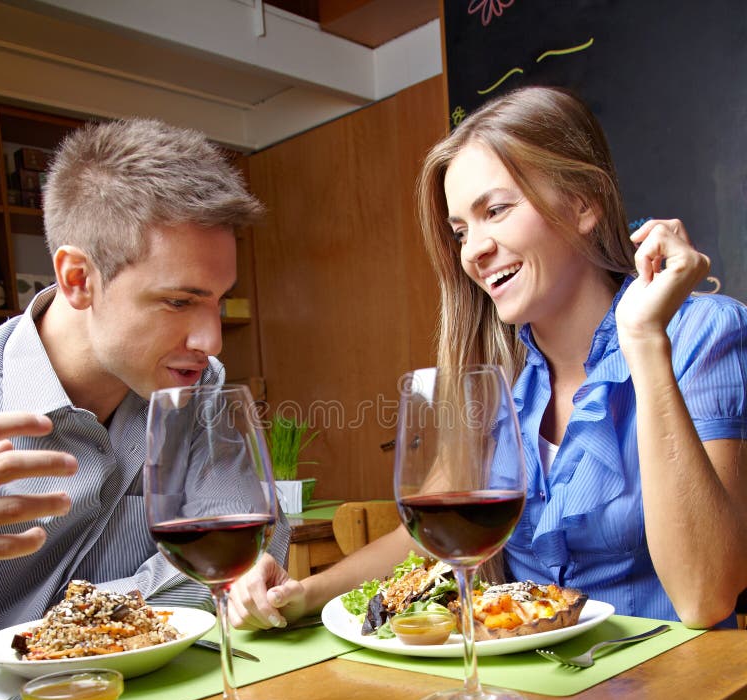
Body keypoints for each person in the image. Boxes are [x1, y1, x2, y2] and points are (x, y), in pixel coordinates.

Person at [229, 86, 747, 632]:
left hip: (677, 697)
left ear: (584, 202)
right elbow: (425, 533)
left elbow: (704, 596)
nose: (473, 250)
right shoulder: (498, 377)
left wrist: (642, 339)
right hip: (521, 694)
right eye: (460, 231)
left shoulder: (700, 332)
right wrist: (302, 592)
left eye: (495, 210)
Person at [0, 117, 289, 670]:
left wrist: (78, 633)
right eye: (179, 302)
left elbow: (253, 550)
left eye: (218, 301)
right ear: (79, 279)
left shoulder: (201, 389)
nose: (210, 340)